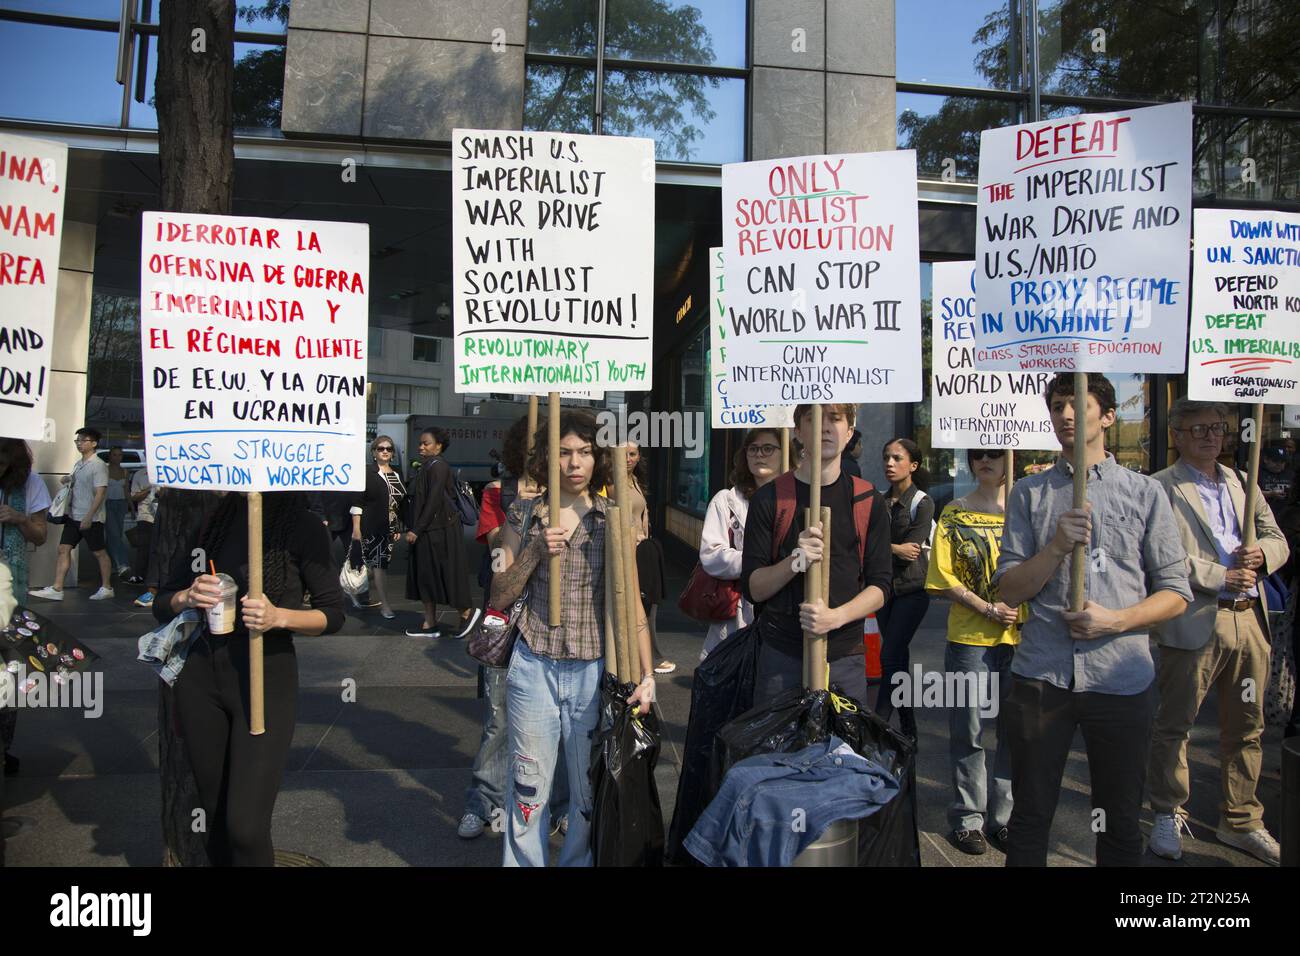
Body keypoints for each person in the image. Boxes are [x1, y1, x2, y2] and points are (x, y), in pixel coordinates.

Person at [995, 372, 1191, 867]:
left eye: (1076, 404)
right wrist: (1057, 547)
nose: (1064, 414)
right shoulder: (1028, 493)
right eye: (1057, 405)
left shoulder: (1145, 494)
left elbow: (1176, 593)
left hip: (1121, 679)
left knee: (1119, 819)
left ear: (1107, 416)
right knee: (1030, 814)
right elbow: (1010, 589)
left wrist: (1117, 622)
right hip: (1042, 677)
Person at [489, 408, 654, 866]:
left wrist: (646, 673)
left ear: (598, 458)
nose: (574, 462)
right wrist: (536, 551)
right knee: (527, 790)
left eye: (584, 452)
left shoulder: (611, 518)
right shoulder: (524, 513)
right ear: (547, 457)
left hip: (593, 670)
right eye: (564, 452)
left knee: (586, 791)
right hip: (533, 669)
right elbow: (498, 593)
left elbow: (633, 605)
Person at [154, 492, 344, 865]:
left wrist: (279, 617)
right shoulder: (212, 522)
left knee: (246, 826)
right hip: (200, 677)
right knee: (216, 818)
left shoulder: (304, 526)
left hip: (265, 679)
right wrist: (187, 596)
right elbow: (162, 603)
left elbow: (332, 614)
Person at [1147, 399, 1287, 865]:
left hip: (1249, 617)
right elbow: (1159, 555)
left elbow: (1277, 537)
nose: (1211, 436)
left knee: (1248, 725)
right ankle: (1168, 811)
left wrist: (1262, 556)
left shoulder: (1241, 481)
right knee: (1176, 724)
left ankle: (1242, 819)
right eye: (1199, 429)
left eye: (1217, 428)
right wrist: (1216, 575)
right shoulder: (1161, 489)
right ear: (1178, 436)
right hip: (1194, 618)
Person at [741, 403, 892, 708]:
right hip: (781, 657)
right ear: (798, 431)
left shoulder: (868, 500)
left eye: (835, 419)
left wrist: (835, 617)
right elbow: (754, 588)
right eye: (814, 418)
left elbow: (881, 587)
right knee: (778, 754)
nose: (825, 427)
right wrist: (795, 561)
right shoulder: (770, 498)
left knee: (843, 753)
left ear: (849, 432)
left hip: (845, 658)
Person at [925, 447, 1022, 855]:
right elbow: (942, 576)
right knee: (969, 730)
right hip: (970, 640)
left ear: (1008, 461)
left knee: (1015, 734)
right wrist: (986, 607)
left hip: (1022, 638)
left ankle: (1004, 818)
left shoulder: (1025, 512)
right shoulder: (954, 512)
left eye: (995, 454)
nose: (986, 460)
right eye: (978, 455)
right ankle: (967, 818)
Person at [459, 415, 544, 840]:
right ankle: (484, 799)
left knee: (556, 721)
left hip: (550, 625)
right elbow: (497, 557)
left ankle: (554, 803)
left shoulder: (567, 496)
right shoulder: (498, 493)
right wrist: (519, 516)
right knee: (498, 717)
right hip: (503, 620)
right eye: (528, 448)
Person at [698, 428, 781, 660]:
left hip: (783, 611)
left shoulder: (796, 499)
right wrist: (759, 563)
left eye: (768, 448)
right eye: (753, 449)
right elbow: (712, 555)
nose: (759, 455)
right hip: (738, 612)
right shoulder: (726, 500)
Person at [874, 437, 935, 738]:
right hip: (884, 590)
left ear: (913, 465)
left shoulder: (921, 502)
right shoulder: (878, 501)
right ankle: (908, 727)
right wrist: (893, 549)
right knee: (897, 659)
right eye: (886, 457)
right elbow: (868, 547)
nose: (889, 463)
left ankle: (879, 724)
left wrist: (890, 549)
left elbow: (913, 549)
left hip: (913, 590)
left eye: (897, 458)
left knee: (889, 656)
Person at [0, 438, 51, 776]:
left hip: (11, 591)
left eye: (3, 453)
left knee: (12, 671)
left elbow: (41, 535)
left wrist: (19, 518)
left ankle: (4, 746)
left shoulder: (31, 484)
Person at [404, 427, 477, 639]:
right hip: (430, 530)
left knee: (446, 573)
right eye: (420, 443)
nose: (421, 447)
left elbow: (434, 499)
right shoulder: (428, 466)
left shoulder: (438, 466)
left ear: (439, 446)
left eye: (426, 443)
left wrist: (417, 529)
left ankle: (466, 612)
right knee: (427, 575)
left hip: (440, 531)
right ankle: (429, 623)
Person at [31, 427, 114, 601]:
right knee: (63, 549)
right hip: (73, 516)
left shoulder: (98, 465)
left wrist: (89, 516)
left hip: (91, 518)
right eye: (78, 440)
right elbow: (75, 482)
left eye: (83, 440)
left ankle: (107, 587)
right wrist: (67, 479)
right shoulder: (79, 464)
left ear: (94, 443)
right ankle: (57, 588)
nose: (79, 443)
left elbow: (101, 493)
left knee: (99, 552)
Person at [622, 442, 671, 673]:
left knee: (650, 601)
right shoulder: (611, 483)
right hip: (627, 550)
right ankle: (647, 657)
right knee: (640, 602)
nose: (628, 459)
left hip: (644, 549)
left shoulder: (635, 481)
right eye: (623, 455)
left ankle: (650, 654)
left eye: (632, 454)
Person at [349, 435, 406, 619]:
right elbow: (357, 502)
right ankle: (386, 606)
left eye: (389, 449)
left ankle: (351, 587)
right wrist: (356, 529)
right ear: (373, 452)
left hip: (389, 528)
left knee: (377, 566)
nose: (385, 452)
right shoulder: (366, 472)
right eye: (381, 448)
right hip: (371, 526)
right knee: (380, 566)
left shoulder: (397, 473)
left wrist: (397, 526)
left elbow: (398, 502)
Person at [126, 461, 157, 603]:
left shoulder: (164, 472)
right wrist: (149, 488)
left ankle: (154, 583)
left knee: (159, 551)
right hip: (145, 516)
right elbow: (134, 496)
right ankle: (140, 576)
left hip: (162, 517)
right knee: (144, 548)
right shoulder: (140, 474)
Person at [104, 447, 134, 580]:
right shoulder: (104, 470)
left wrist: (132, 508)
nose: (117, 457)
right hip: (108, 503)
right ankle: (122, 564)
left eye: (120, 455)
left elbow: (126, 490)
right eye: (115, 455)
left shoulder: (125, 471)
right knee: (114, 534)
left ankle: (111, 565)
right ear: (110, 456)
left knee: (115, 536)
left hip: (121, 504)